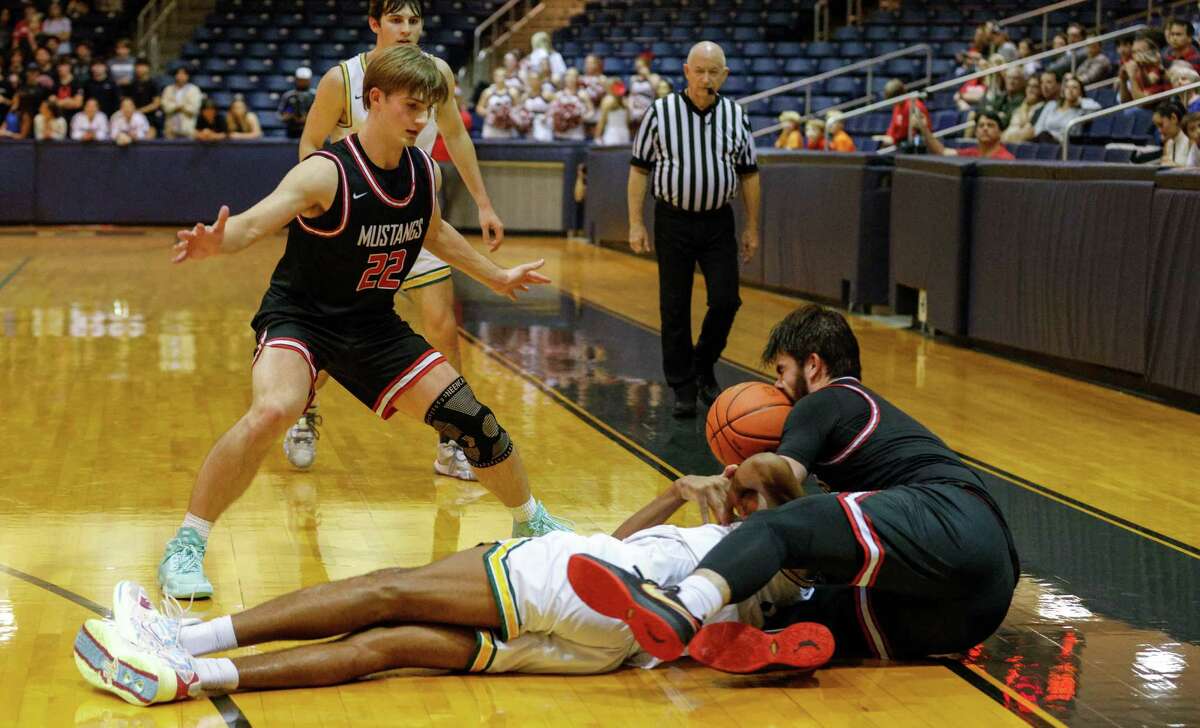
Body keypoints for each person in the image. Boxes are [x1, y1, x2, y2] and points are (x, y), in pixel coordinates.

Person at [155, 45, 569, 601]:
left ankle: (531, 523)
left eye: (428, 109)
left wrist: (495, 275)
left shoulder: (424, 171)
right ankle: (187, 542)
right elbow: (254, 225)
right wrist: (217, 243)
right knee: (275, 409)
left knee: (472, 419)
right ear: (374, 99)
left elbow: (434, 232)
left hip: (371, 323)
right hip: (301, 318)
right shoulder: (325, 173)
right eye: (411, 107)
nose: (422, 121)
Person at [75, 454, 829, 705]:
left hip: (578, 581)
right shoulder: (758, 568)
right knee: (386, 646)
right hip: (609, 638)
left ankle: (181, 636)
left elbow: (775, 471)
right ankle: (191, 680)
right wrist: (674, 492)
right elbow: (616, 545)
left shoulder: (779, 527)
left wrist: (732, 478)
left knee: (385, 590)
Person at [566, 305, 1020, 672]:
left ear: (814, 364)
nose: (777, 386)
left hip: (953, 515)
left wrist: (733, 480)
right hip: (969, 610)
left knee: (779, 527)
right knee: (813, 611)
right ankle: (773, 647)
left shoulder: (828, 399)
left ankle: (684, 605)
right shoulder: (858, 419)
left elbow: (770, 468)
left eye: (781, 370)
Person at [300, 0, 507, 479]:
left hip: (415, 222)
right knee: (336, 341)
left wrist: (484, 203)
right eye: (396, 19)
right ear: (374, 24)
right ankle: (303, 409)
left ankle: (451, 445)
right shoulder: (343, 80)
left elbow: (455, 136)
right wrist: (320, 206)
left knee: (442, 328)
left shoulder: (437, 74)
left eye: (414, 20)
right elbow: (310, 145)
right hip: (356, 228)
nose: (406, 28)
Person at [628, 41, 759, 419]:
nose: (706, 78)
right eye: (699, 70)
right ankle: (683, 386)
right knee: (674, 305)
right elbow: (639, 169)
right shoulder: (661, 112)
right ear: (686, 71)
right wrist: (636, 222)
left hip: (719, 220)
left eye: (713, 71)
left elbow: (750, 175)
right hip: (673, 220)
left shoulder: (737, 115)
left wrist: (752, 227)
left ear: (725, 75)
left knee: (726, 300)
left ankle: (703, 362)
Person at [915, 109, 1014, 159]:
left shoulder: (1006, 159)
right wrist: (924, 129)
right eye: (981, 125)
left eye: (990, 125)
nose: (985, 128)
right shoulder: (971, 154)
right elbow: (942, 152)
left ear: (1000, 132)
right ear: (975, 132)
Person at [1033, 75, 1099, 144]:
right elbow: (1038, 127)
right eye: (1067, 87)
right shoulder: (1052, 105)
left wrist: (1080, 100)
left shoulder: (1081, 111)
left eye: (1074, 88)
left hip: (1064, 145)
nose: (1070, 90)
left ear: (1080, 92)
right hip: (1042, 139)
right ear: (1063, 90)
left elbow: (1096, 108)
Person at [878, 78, 929, 149]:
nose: (892, 103)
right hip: (900, 143)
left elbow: (914, 131)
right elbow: (893, 127)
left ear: (899, 95)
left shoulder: (914, 106)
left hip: (914, 144)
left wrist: (893, 139)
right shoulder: (897, 107)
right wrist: (889, 136)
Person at [161, 66, 201, 139]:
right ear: (175, 75)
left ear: (188, 76)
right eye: (179, 74)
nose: (181, 76)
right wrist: (181, 106)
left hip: (188, 131)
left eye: (183, 74)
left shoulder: (194, 90)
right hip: (170, 131)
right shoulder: (168, 89)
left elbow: (194, 109)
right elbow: (166, 107)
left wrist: (176, 107)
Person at [277, 66, 314, 139]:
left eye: (305, 80)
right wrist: (289, 115)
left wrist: (308, 118)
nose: (302, 82)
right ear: (296, 79)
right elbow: (280, 115)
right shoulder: (289, 96)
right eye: (300, 80)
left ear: (309, 80)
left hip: (311, 132)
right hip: (292, 132)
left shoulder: (315, 95)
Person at [1154, 100, 1193, 165]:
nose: (1159, 130)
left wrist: (1174, 166)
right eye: (1157, 126)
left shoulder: (1192, 141)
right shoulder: (1167, 144)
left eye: (1161, 125)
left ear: (1173, 118)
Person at [593, 78, 629, 145]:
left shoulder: (607, 100)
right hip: (625, 134)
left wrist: (597, 136)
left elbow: (602, 121)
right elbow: (628, 120)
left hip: (612, 135)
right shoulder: (626, 101)